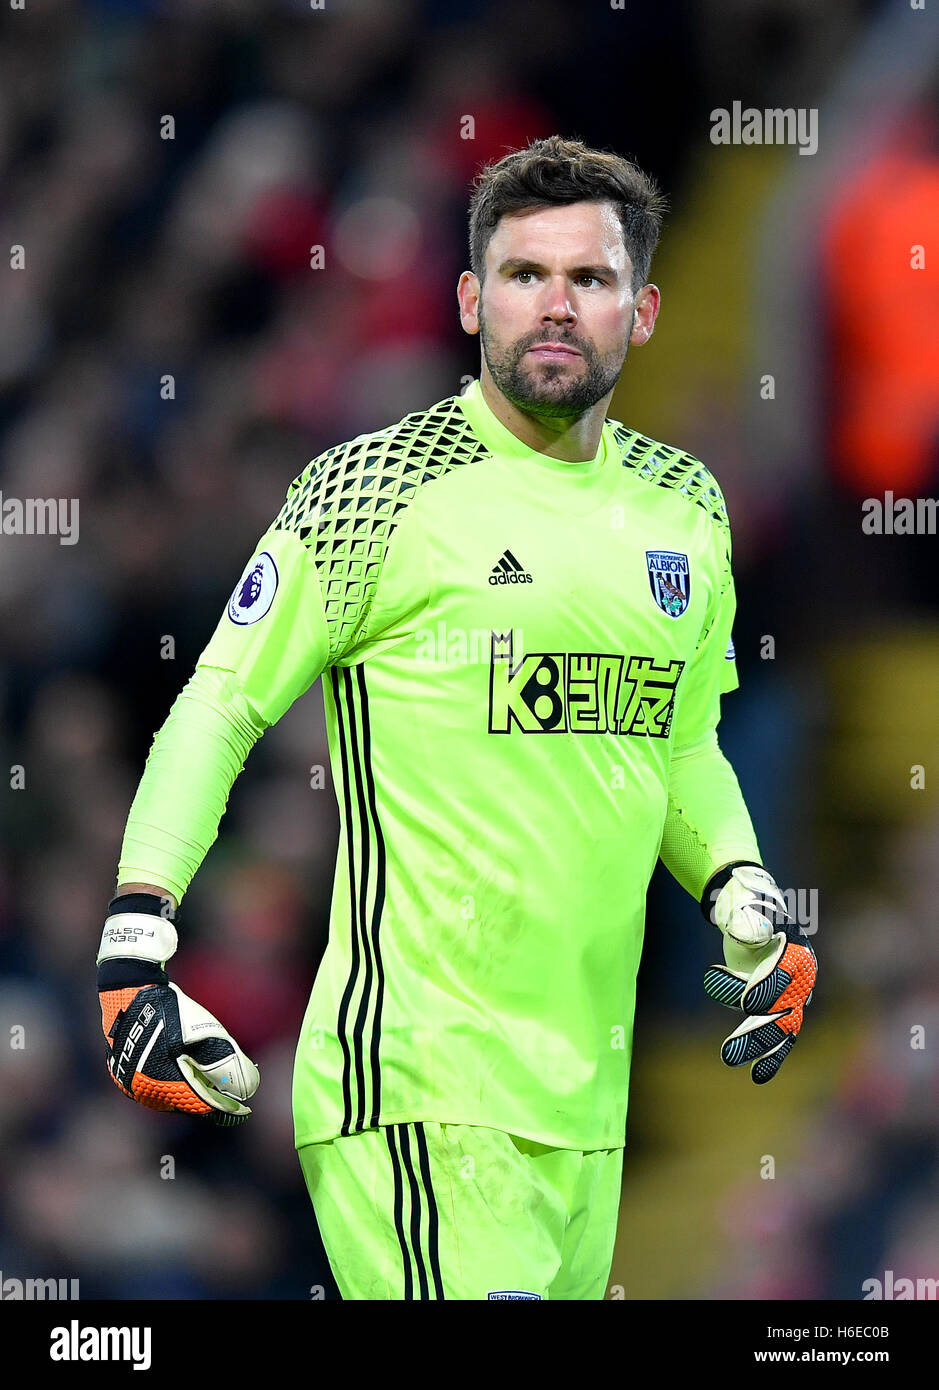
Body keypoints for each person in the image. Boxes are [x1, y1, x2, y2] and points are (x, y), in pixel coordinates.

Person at [96, 135, 817, 1300]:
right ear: (473, 298)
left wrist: (743, 887)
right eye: (526, 274)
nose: (555, 305)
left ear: (643, 312)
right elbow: (219, 703)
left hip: (585, 1107)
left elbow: (680, 742)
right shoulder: (374, 488)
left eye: (590, 279)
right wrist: (137, 931)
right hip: (420, 1090)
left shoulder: (686, 507)